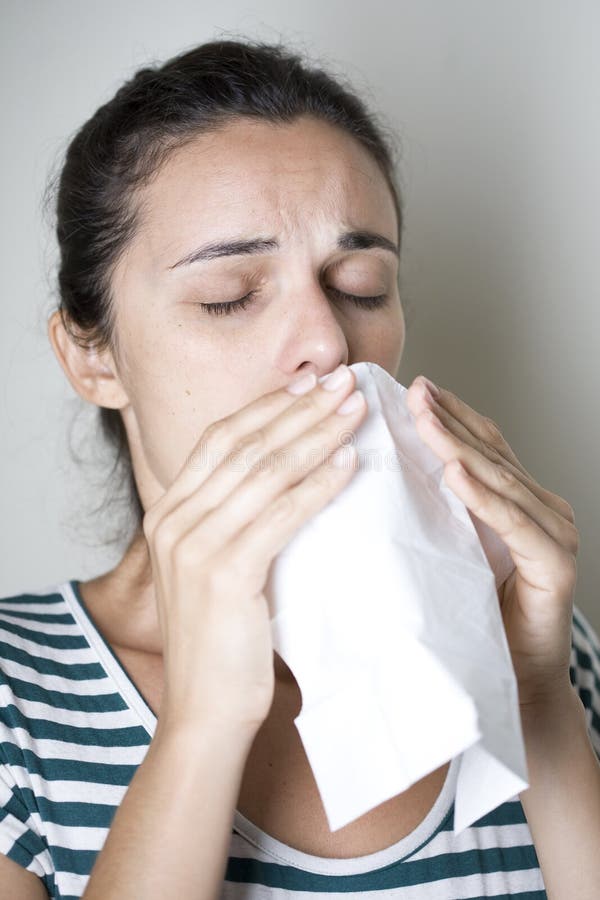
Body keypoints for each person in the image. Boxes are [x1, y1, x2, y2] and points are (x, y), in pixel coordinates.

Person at [0, 37, 598, 900]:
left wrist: (537, 698)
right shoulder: (18, 702)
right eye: (230, 297)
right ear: (94, 358)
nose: (326, 342)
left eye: (360, 285)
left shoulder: (529, 643)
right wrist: (201, 725)